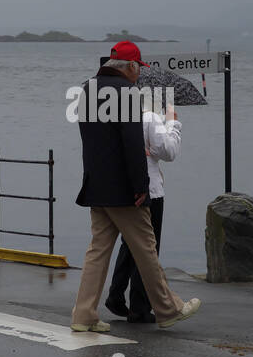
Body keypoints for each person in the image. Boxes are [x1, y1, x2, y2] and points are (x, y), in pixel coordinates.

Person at [69, 41, 200, 333]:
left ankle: (84, 314)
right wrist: (140, 185)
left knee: (98, 251)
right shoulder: (127, 92)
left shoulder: (88, 89)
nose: (139, 74)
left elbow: (90, 141)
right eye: (138, 68)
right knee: (146, 250)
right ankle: (169, 309)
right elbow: (131, 143)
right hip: (124, 191)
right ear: (130, 66)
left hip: (96, 186)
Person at [106, 95, 181, 323]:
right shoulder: (150, 117)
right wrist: (173, 124)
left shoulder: (120, 117)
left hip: (124, 188)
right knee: (149, 248)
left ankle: (116, 294)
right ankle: (140, 306)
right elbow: (168, 152)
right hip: (151, 190)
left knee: (130, 244)